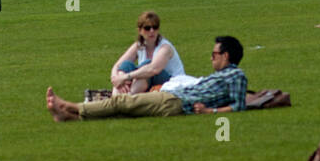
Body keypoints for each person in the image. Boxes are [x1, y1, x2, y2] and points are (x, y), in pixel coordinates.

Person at [47, 36, 246, 122]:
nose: (211, 57)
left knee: (123, 103)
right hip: (172, 97)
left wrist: (210, 111)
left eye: (214, 54)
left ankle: (70, 106)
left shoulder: (236, 75)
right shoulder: (219, 76)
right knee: (127, 110)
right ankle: (68, 117)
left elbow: (239, 105)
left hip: (175, 101)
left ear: (226, 56)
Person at [109, 11, 184, 95]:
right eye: (147, 28)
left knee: (146, 65)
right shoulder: (139, 46)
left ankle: (128, 97)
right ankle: (116, 98)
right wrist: (116, 78)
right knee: (126, 65)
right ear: (140, 31)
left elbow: (153, 70)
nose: (151, 31)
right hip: (148, 81)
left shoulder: (165, 48)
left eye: (155, 27)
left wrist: (125, 77)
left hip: (172, 84)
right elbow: (117, 65)